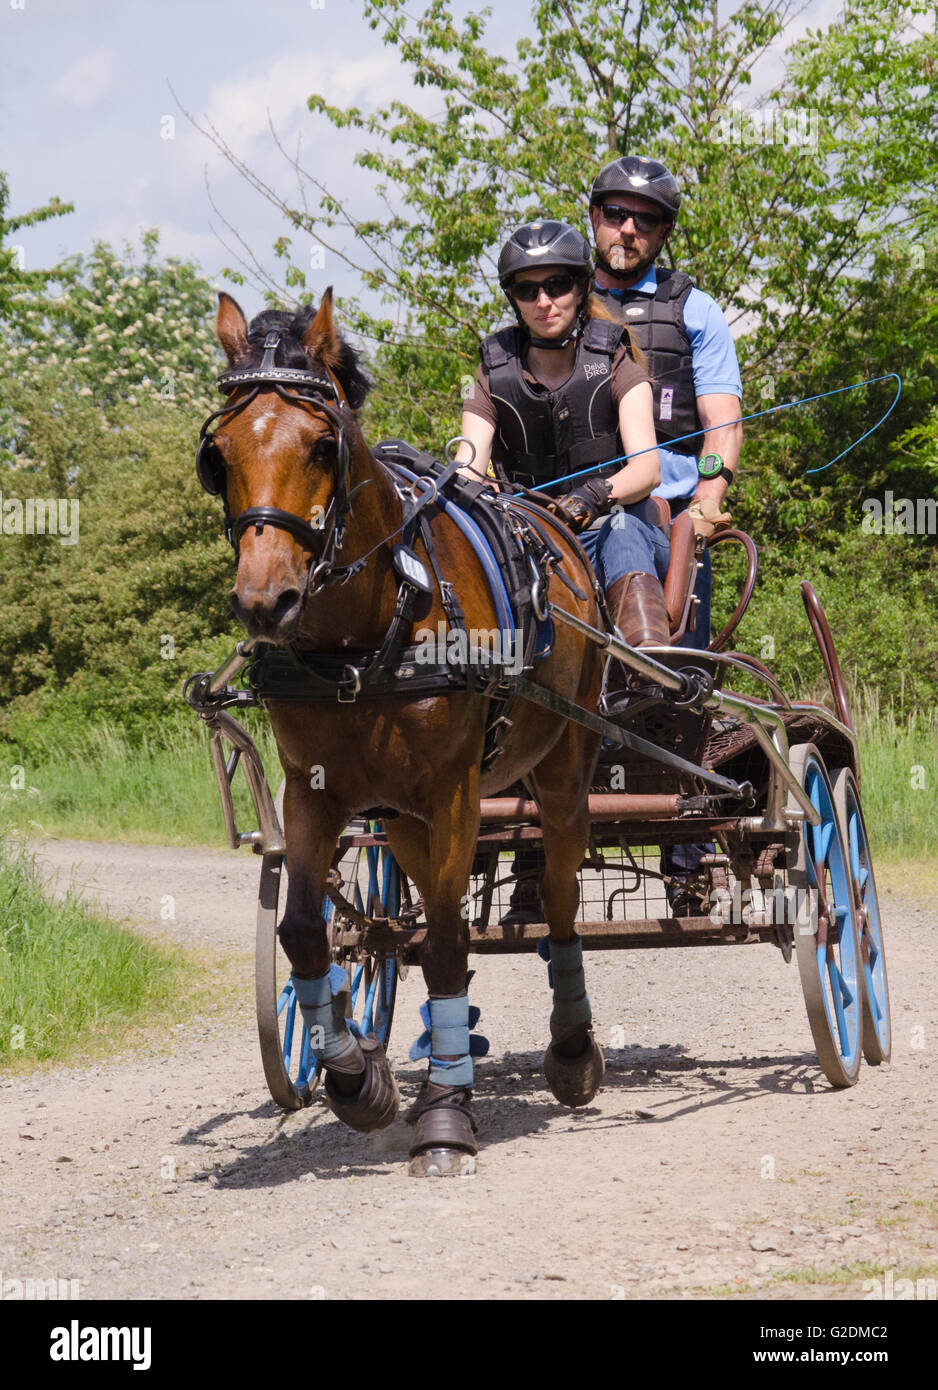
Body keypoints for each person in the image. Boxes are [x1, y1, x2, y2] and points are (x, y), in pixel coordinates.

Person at [457, 218, 670, 923]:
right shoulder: (491, 372)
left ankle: (645, 657)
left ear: (581, 288)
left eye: (557, 285)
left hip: (620, 521)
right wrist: (475, 489)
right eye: (527, 289)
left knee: (620, 538)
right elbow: (470, 457)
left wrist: (593, 494)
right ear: (512, 297)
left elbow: (645, 467)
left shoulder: (617, 363)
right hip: (529, 532)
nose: (543, 299)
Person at [588, 154, 743, 912]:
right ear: (594, 219)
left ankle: (686, 846)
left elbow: (721, 422)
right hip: (570, 520)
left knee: (685, 677)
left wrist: (708, 498)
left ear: (662, 233)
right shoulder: (555, 298)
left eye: (644, 220)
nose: (627, 228)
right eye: (615, 213)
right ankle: (520, 854)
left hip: (673, 521)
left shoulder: (695, 311)